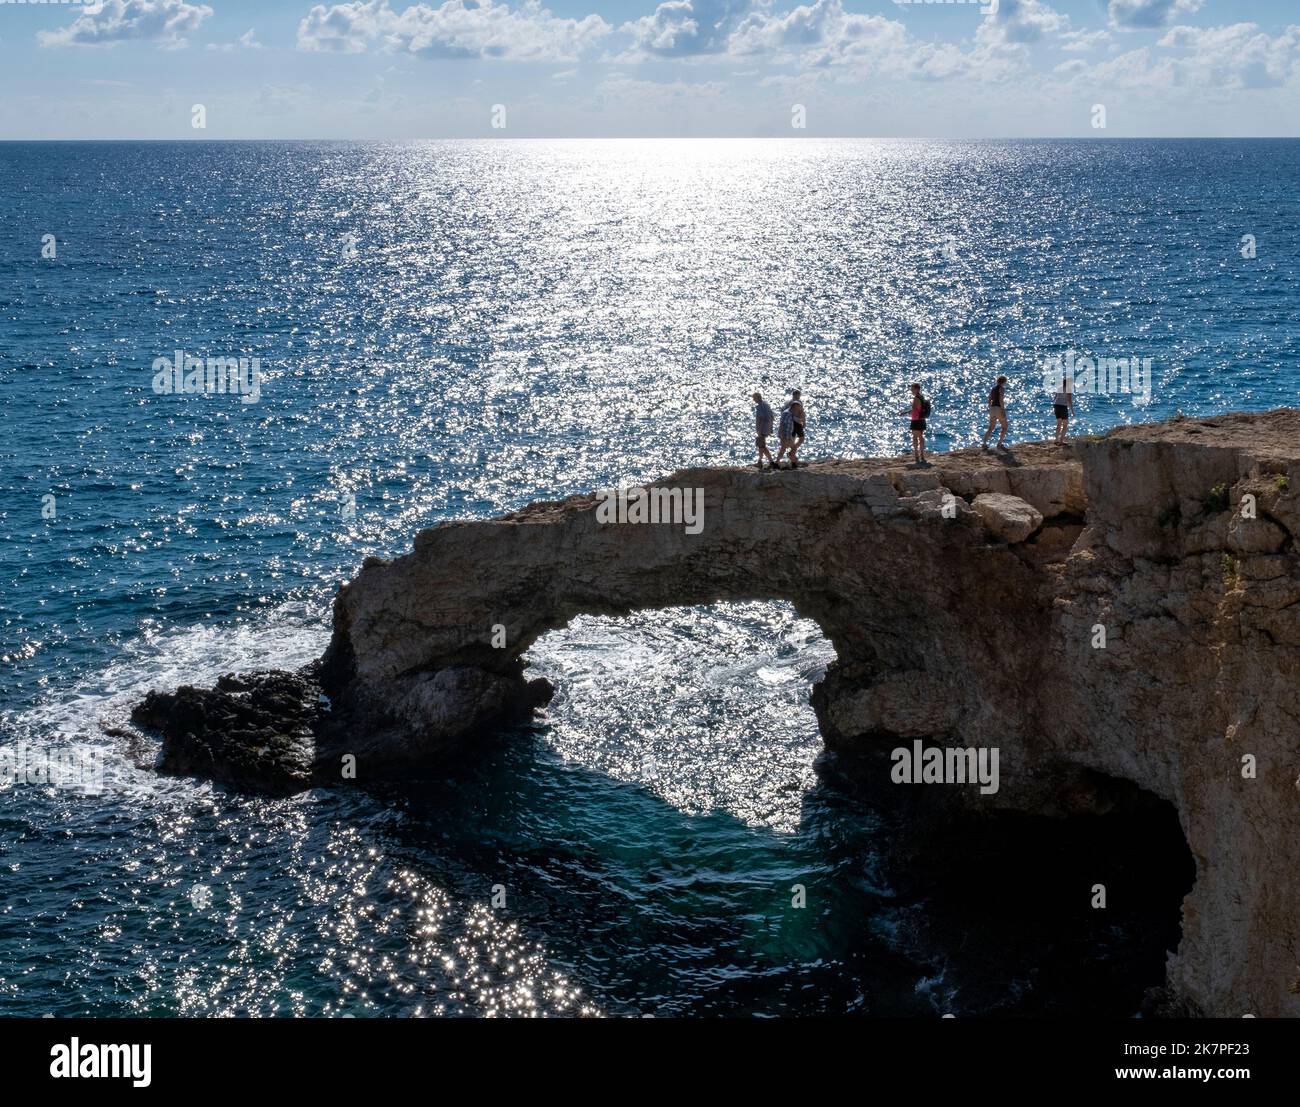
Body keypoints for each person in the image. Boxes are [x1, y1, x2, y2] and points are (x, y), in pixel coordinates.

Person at [901, 382, 929, 465]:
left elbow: (913, 409)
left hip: (916, 420)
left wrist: (905, 413)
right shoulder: (922, 397)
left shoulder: (916, 398)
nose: (911, 390)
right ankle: (922, 455)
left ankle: (916, 455)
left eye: (912, 389)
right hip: (922, 419)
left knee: (915, 437)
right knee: (921, 437)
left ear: (917, 389)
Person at [982, 375, 1009, 451]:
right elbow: (1001, 399)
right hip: (998, 408)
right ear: (1004, 382)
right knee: (1005, 426)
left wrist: (990, 407)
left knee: (991, 428)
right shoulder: (1002, 389)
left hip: (992, 408)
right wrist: (1003, 410)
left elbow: (989, 399)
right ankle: (999, 444)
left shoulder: (993, 388)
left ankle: (984, 443)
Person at [752, 392, 775, 468]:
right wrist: (771, 428)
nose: (753, 400)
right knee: (762, 446)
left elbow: (761, 419)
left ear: (758, 398)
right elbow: (772, 417)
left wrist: (759, 431)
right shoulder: (766, 405)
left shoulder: (760, 406)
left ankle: (769, 462)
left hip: (762, 429)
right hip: (767, 428)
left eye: (754, 398)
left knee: (762, 446)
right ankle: (761, 461)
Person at [775, 399, 797, 469]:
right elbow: (781, 424)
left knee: (784, 449)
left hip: (789, 435)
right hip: (785, 435)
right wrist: (782, 435)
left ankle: (778, 462)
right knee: (790, 448)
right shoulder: (786, 413)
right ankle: (793, 463)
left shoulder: (792, 413)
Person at [1052, 375, 1074, 445]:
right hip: (1062, 406)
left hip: (1056, 405)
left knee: (1058, 424)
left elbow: (1055, 398)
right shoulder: (1069, 389)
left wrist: (1055, 407)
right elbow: (1069, 401)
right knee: (1065, 425)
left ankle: (1056, 440)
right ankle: (1061, 441)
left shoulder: (1059, 388)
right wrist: (1072, 411)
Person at [789, 390, 806, 465]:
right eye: (797, 395)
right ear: (794, 395)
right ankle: (792, 455)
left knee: (798, 439)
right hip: (795, 423)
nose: (798, 397)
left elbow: (802, 413)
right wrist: (804, 421)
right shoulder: (791, 403)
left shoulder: (798, 402)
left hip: (797, 423)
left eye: (799, 395)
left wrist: (804, 421)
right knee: (799, 439)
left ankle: (792, 454)